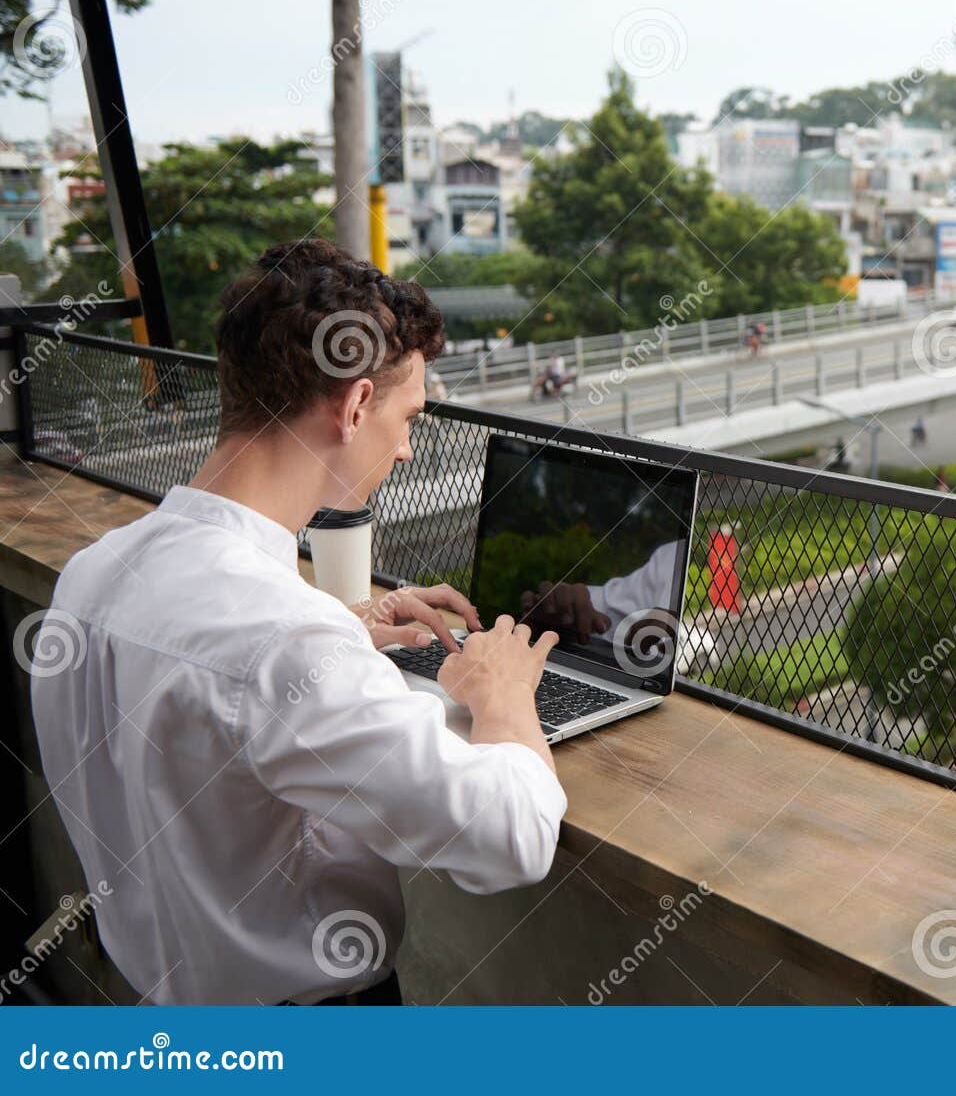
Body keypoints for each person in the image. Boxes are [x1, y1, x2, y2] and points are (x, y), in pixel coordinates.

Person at [29, 240, 568, 1005]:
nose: (409, 447)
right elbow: (512, 836)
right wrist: (507, 692)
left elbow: (216, 674)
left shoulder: (96, 573)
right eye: (408, 416)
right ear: (352, 407)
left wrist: (342, 625)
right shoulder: (283, 641)